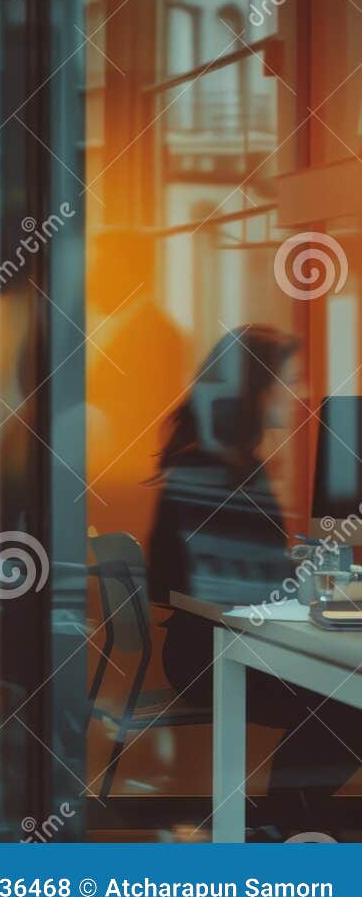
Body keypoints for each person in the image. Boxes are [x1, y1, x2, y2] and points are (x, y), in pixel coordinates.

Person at [146, 324, 362, 836]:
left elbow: (240, 564)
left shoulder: (229, 463)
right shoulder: (209, 469)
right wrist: (295, 575)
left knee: (343, 695)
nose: (297, 392)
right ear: (256, 389)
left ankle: (288, 823)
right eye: (287, 380)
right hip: (210, 651)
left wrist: (290, 570)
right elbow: (183, 574)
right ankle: (288, 824)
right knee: (347, 704)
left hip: (221, 640)